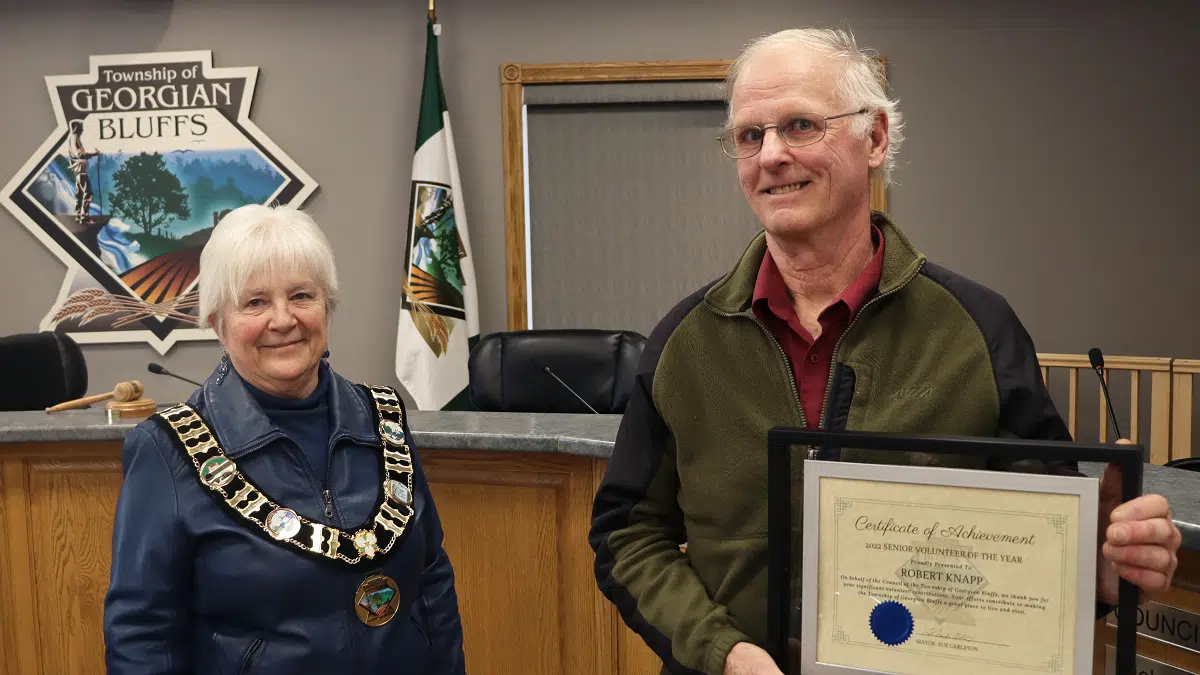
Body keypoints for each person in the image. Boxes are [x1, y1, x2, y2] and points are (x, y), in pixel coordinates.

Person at [588, 28, 1181, 675]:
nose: (771, 155)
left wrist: (1097, 568)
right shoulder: (685, 342)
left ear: (874, 138)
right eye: (750, 135)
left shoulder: (976, 329)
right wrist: (722, 652)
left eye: (799, 124)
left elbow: (1039, 548)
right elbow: (627, 533)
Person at [103, 204, 467, 674]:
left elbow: (432, 579)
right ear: (218, 323)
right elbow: (142, 632)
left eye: (301, 296)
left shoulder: (386, 417)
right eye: (255, 302)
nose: (283, 319)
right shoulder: (166, 449)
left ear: (326, 305)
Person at [67, 119, 100, 223]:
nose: (83, 129)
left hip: (79, 170)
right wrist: (93, 154)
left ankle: (79, 216)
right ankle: (84, 217)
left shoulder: (74, 138)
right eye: (81, 127)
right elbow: (80, 154)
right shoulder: (74, 138)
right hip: (80, 170)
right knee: (87, 193)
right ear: (77, 128)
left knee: (81, 193)